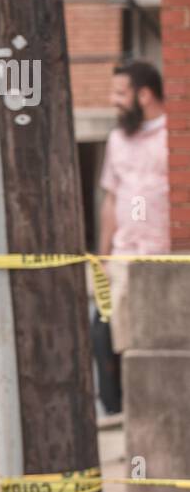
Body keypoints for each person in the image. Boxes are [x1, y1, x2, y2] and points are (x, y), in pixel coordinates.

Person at [94, 61, 170, 413]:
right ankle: (124, 415)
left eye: (120, 93)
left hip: (164, 258)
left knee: (158, 344)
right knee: (108, 335)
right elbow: (111, 198)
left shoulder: (175, 135)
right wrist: (103, 257)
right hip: (124, 256)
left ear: (145, 94)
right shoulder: (117, 139)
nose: (113, 100)